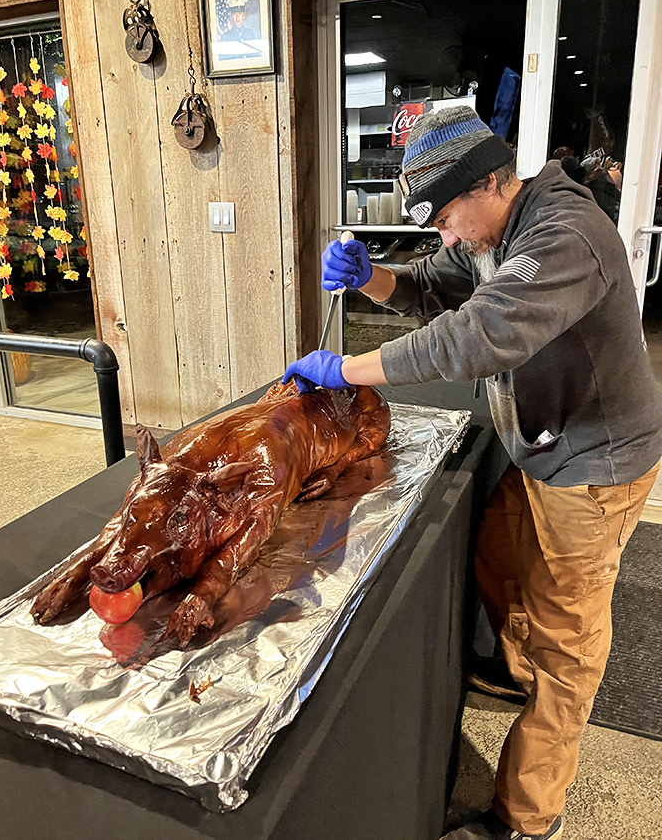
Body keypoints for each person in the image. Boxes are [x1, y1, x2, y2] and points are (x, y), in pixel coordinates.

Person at [282, 105, 662, 840]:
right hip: (541, 443)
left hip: (596, 462)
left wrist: (348, 370)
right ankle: (515, 670)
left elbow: (475, 335)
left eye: (448, 217)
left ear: (491, 181)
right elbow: (434, 285)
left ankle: (527, 817)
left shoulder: (564, 236)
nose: (446, 236)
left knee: (569, 645)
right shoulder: (493, 228)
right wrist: (372, 279)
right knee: (497, 554)